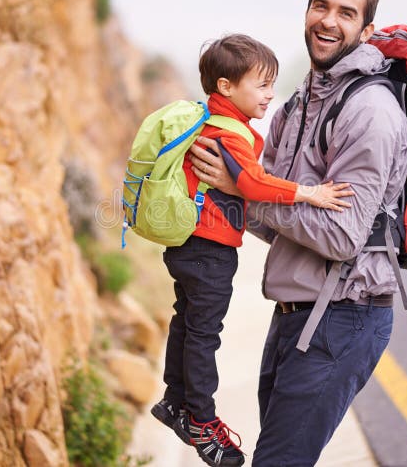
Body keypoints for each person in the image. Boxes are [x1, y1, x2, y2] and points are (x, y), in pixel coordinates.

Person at [189, 0, 407, 466]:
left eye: (346, 13)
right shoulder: (296, 103)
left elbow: (341, 237)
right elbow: (270, 216)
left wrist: (246, 192)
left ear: (366, 30)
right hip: (295, 315)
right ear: (307, 11)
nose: (329, 20)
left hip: (343, 318)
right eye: (321, 6)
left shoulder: (369, 112)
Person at [150, 33, 355, 467]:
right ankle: (201, 423)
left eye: (272, 84)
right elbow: (253, 184)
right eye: (261, 85)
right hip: (209, 251)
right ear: (226, 86)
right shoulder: (231, 134)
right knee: (204, 335)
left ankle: (174, 402)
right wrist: (309, 193)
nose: (270, 94)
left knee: (186, 324)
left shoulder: (209, 120)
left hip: (187, 247)